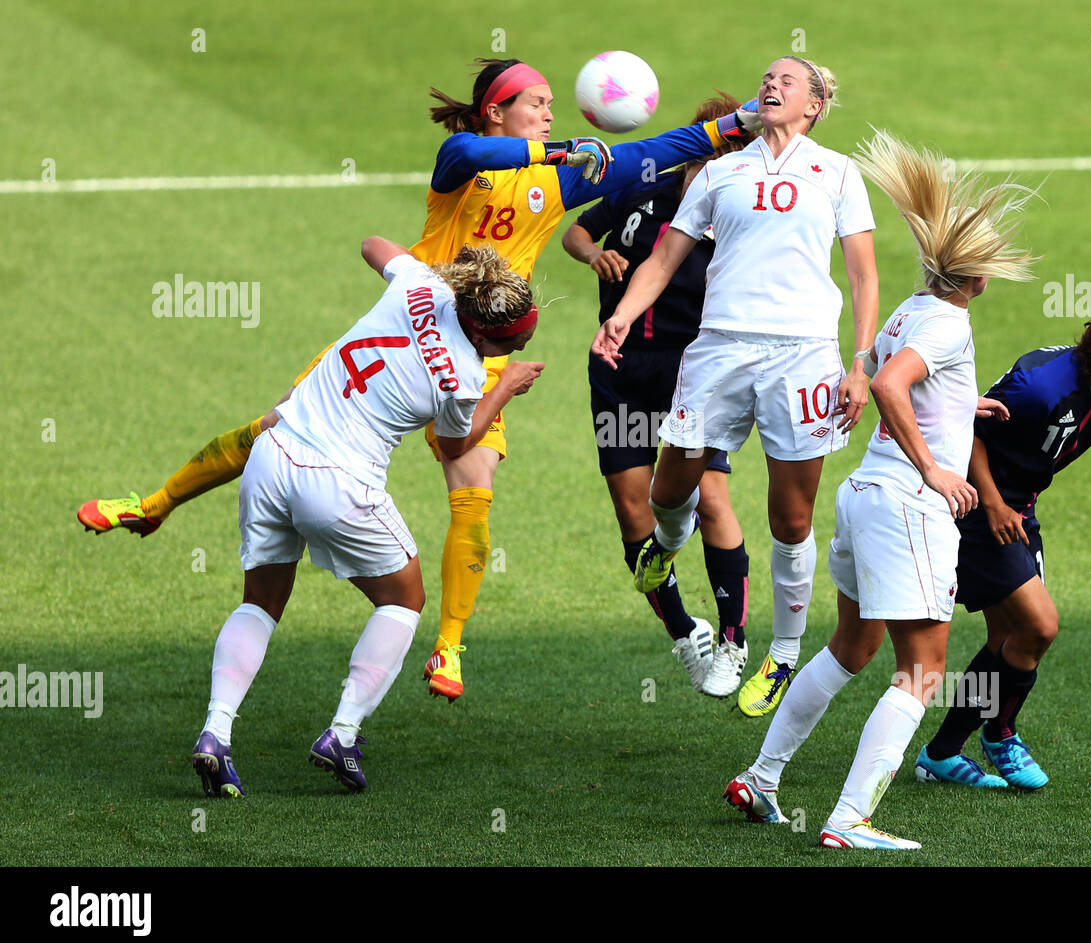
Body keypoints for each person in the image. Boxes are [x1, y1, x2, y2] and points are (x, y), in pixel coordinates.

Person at [78, 58, 761, 704]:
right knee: (273, 429)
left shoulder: (564, 176)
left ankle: (450, 647)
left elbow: (661, 148)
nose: (551, 115)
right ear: (497, 112)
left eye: (554, 106)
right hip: (401, 322)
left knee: (474, 485)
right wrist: (551, 154)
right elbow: (468, 157)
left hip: (480, 349)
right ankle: (156, 502)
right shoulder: (465, 160)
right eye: (537, 104)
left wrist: (738, 125)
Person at [723, 129, 1038, 849]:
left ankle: (762, 778)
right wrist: (935, 466)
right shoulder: (951, 324)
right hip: (907, 506)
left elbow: (897, 374)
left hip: (863, 496)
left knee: (849, 648)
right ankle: (848, 819)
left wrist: (963, 408)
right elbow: (894, 384)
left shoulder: (909, 309)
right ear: (980, 277)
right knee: (923, 670)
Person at [192, 237, 544, 797]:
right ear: (483, 333)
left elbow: (371, 243)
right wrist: (505, 388)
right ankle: (343, 734)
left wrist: (428, 271)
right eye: (520, 333)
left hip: (274, 451)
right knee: (405, 599)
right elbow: (455, 449)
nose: (527, 335)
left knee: (259, 601)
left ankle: (216, 731)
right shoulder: (463, 375)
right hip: (336, 482)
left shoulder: (421, 285)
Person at [592, 57, 879, 709]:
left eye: (788, 80)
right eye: (767, 78)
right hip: (720, 346)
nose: (771, 84)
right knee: (670, 489)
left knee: (792, 514)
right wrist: (622, 318)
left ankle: (780, 652)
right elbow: (665, 256)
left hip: (803, 354)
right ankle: (667, 544)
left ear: (814, 105)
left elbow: (863, 274)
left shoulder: (837, 172)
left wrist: (860, 361)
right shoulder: (722, 171)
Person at [914, 287, 1091, 790]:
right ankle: (999, 734)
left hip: (1018, 510)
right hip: (975, 503)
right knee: (1040, 627)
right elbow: (967, 430)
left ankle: (941, 753)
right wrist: (994, 502)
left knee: (1011, 639)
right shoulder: (1043, 386)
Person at [562, 94, 754, 693]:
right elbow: (575, 230)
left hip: (693, 376)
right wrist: (594, 252)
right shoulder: (642, 186)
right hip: (619, 370)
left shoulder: (737, 214)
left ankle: (734, 642)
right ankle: (682, 633)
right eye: (708, 152)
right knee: (630, 508)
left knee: (714, 497)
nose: (710, 167)